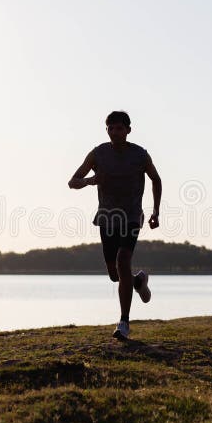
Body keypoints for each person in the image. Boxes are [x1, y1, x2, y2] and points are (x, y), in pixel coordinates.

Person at [68, 111, 162, 340]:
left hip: (131, 217)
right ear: (106, 130)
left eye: (120, 128)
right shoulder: (98, 154)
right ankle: (138, 280)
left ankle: (124, 322)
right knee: (114, 274)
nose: (115, 132)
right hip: (107, 218)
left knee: (122, 261)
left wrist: (155, 211)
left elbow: (156, 180)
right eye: (111, 128)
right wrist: (91, 180)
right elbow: (73, 182)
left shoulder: (140, 155)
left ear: (128, 130)